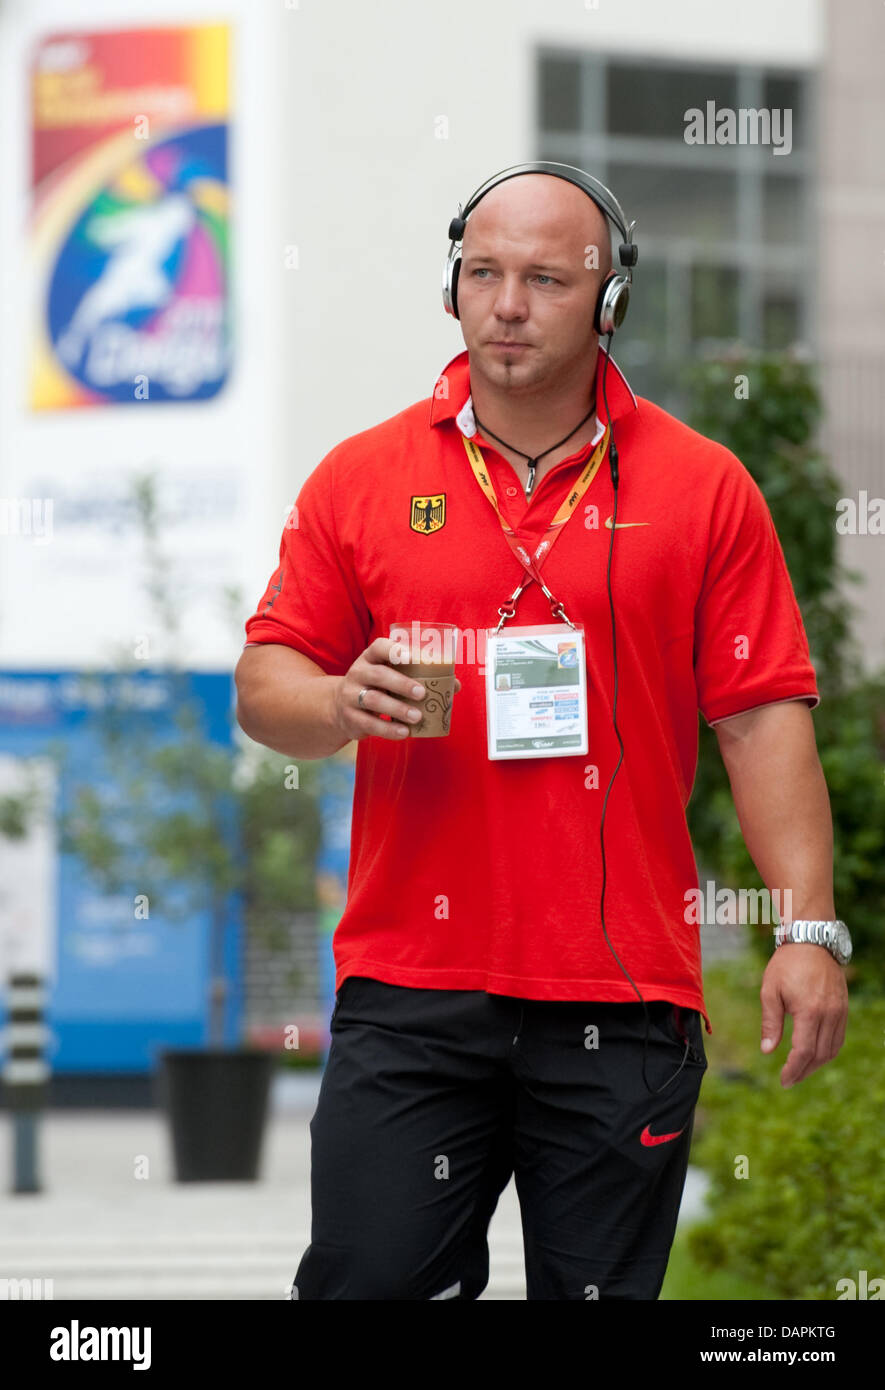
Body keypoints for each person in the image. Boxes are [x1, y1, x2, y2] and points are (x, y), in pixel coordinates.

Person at [235, 163, 850, 1300]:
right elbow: (264, 676)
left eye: (545, 280)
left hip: (623, 1001)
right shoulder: (361, 478)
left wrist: (809, 928)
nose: (507, 304)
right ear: (452, 287)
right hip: (411, 988)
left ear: (609, 300)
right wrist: (332, 701)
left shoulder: (707, 488)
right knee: (365, 1286)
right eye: (482, 274)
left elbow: (762, 719)